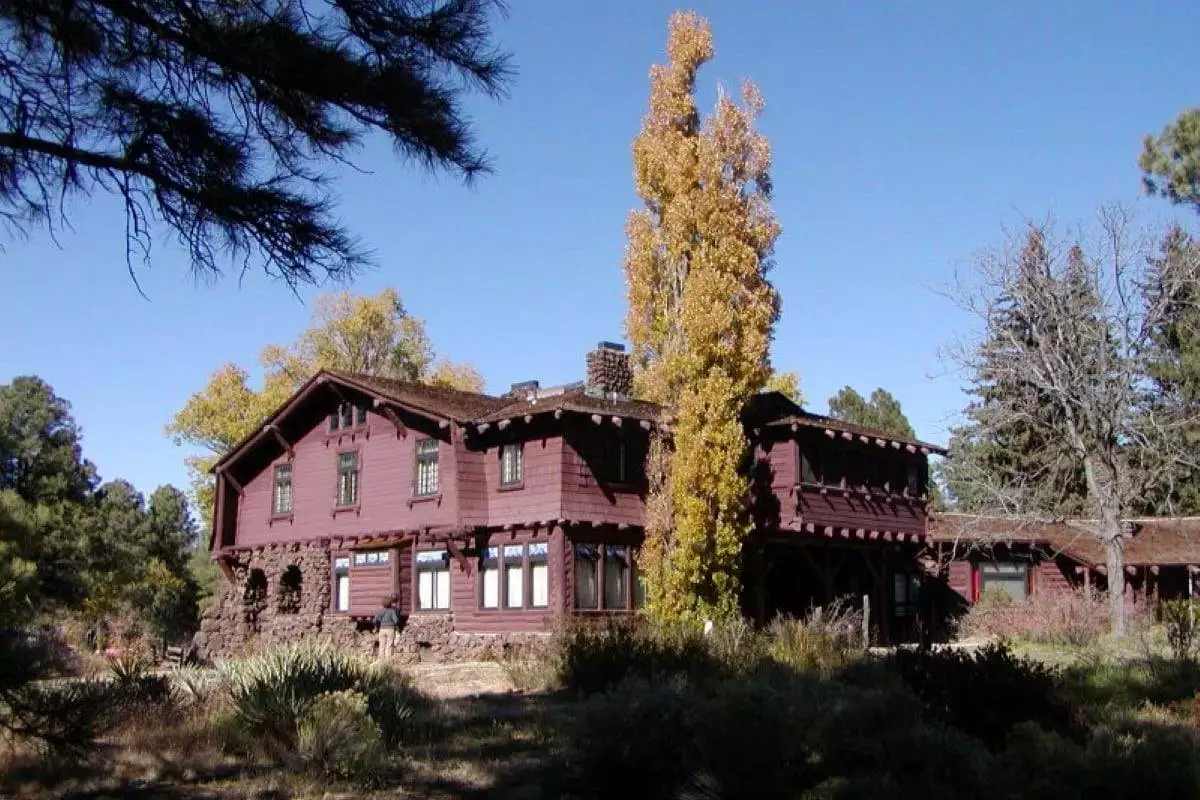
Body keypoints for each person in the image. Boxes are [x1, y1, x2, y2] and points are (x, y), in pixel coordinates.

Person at [374, 595, 400, 661]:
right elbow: (396, 620)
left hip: (382, 629)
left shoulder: (380, 611)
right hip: (390, 629)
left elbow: (375, 620)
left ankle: (381, 659)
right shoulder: (392, 611)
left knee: (382, 645)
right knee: (389, 645)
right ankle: (388, 660)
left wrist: (378, 626)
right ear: (390, 603)